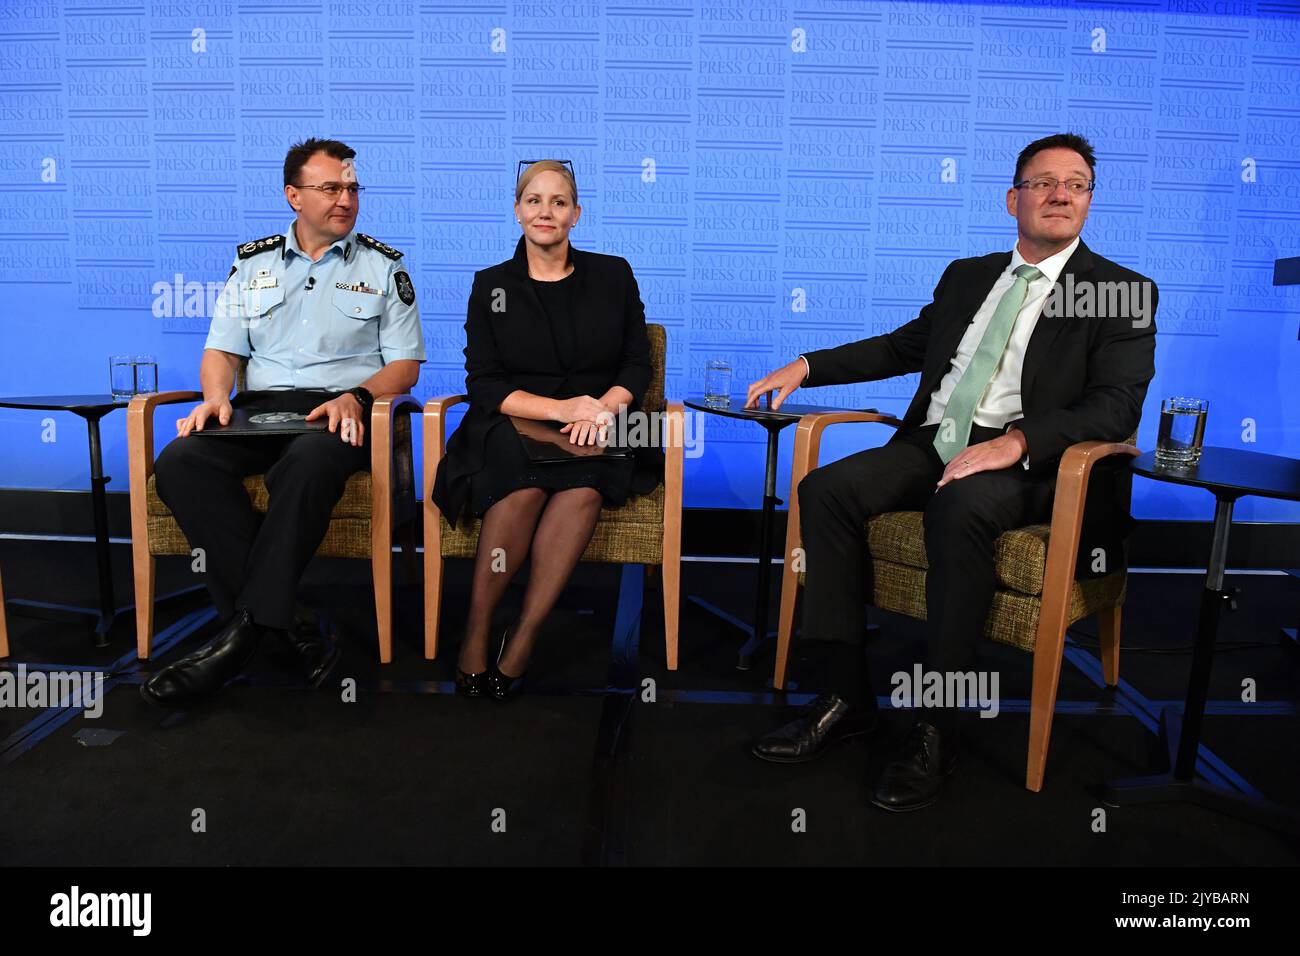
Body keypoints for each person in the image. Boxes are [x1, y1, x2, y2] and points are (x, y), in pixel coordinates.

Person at [744, 133, 1158, 810]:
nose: (1060, 194)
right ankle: (848, 697)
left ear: (1088, 201)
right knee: (826, 490)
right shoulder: (969, 275)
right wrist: (807, 366)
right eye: (1044, 182)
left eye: (1077, 184)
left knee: (959, 508)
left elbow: (1115, 406)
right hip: (935, 441)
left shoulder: (1119, 292)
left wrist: (1016, 443)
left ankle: (939, 724)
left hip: (1031, 461)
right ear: (1013, 199)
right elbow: (905, 345)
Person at [141, 138, 426, 708]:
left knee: (309, 461)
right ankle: (285, 622)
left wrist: (355, 395)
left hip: (338, 415)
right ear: (294, 196)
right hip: (257, 409)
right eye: (330, 188)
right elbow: (222, 351)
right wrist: (215, 399)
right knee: (180, 462)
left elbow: (405, 367)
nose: (345, 199)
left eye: (351, 188)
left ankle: (238, 639)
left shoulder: (383, 266)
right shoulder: (253, 264)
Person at [431, 160, 657, 700]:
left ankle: (525, 634)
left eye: (559, 202)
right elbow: (484, 382)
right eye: (534, 200)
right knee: (522, 482)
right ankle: (480, 628)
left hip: (601, 425)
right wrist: (562, 410)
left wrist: (603, 409)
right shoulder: (492, 286)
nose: (545, 212)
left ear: (576, 214)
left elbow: (636, 364)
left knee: (582, 487)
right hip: (513, 422)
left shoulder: (613, 274)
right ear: (517, 211)